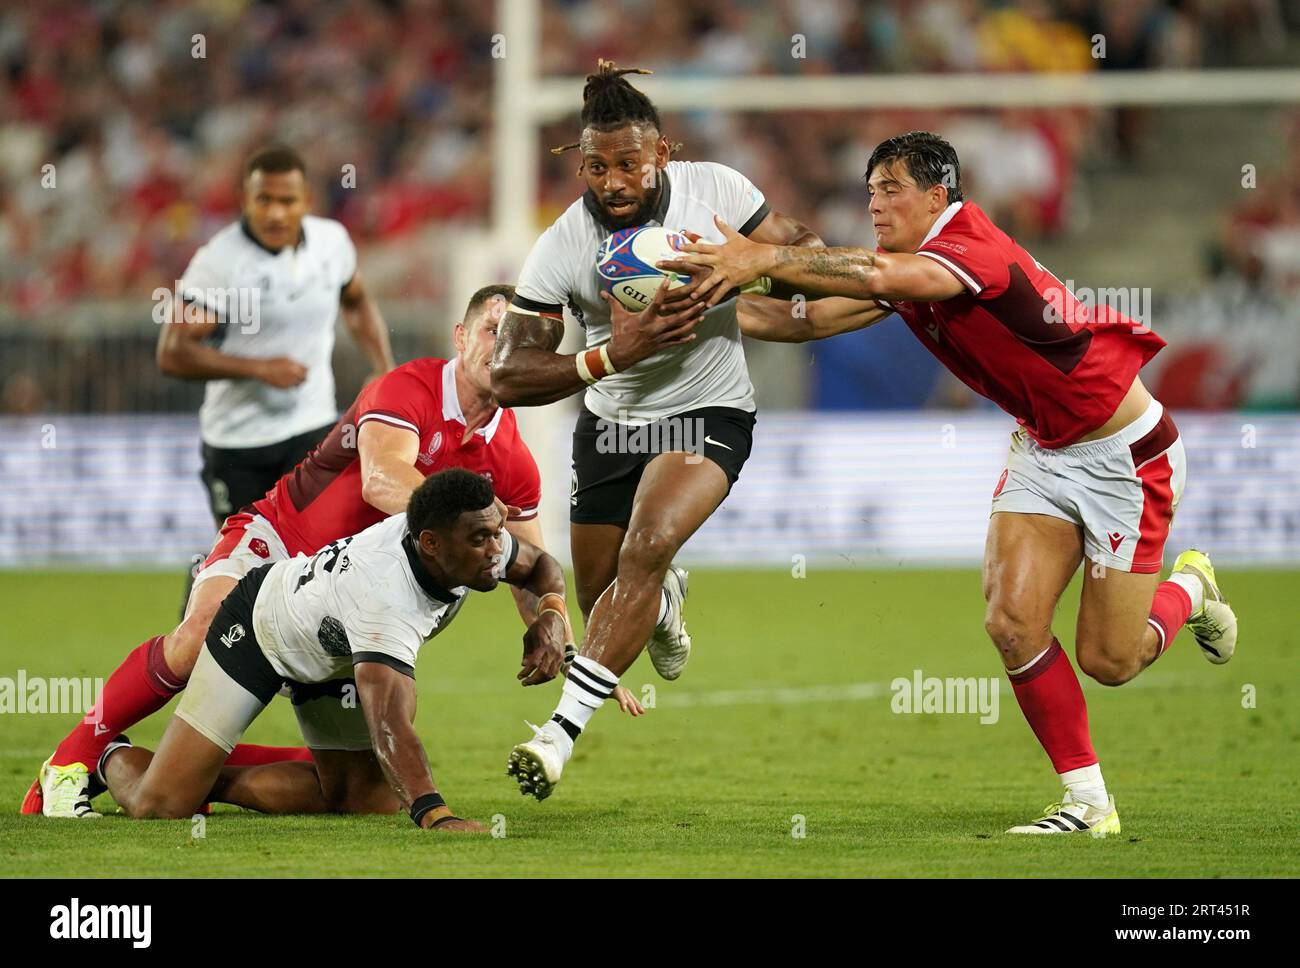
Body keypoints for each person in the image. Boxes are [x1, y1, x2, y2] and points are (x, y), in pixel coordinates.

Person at [665, 130, 1239, 836]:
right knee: (1009, 620)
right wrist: (695, 307)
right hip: (1045, 449)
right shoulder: (910, 268)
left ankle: (1190, 590)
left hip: (1125, 455)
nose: (875, 204)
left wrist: (762, 257)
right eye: (871, 190)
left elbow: (872, 278)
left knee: (1111, 661)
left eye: (892, 190)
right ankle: (1089, 804)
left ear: (938, 195)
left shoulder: (971, 250)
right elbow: (799, 319)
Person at [24, 285, 641, 819]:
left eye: (517, 338)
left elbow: (528, 569)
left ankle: (167, 766)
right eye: (489, 329)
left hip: (335, 604)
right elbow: (381, 480)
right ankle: (71, 759)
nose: (499, 346)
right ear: (460, 335)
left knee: (363, 794)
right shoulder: (409, 388)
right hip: (277, 541)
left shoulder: (514, 461)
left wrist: (571, 641)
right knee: (199, 634)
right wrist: (467, 524)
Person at [491, 61, 823, 801]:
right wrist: (614, 352)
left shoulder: (719, 193)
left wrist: (752, 266)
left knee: (648, 544)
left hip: (709, 412)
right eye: (596, 166)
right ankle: (666, 604)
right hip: (611, 425)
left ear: (663, 155)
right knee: (602, 595)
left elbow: (805, 247)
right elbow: (509, 373)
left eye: (629, 164)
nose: (612, 181)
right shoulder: (564, 244)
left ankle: (555, 737)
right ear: (580, 163)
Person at [97, 470, 561, 831]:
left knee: (363, 799)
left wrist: (551, 614)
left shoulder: (469, 544)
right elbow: (390, 725)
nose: (495, 550)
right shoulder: (385, 597)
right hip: (260, 631)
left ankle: (200, 774)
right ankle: (109, 757)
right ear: (431, 545)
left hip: (334, 653)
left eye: (497, 534)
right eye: (481, 539)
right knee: (156, 808)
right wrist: (436, 815)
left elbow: (540, 565)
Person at [159, 144, 395, 527]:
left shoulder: (332, 243)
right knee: (243, 563)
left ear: (307, 201)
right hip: (239, 442)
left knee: (316, 553)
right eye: (263, 200)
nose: (274, 213)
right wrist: (259, 368)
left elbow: (356, 301)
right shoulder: (218, 263)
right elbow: (172, 353)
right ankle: (204, 579)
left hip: (312, 428)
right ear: (244, 200)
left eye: (287, 201)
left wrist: (383, 366)